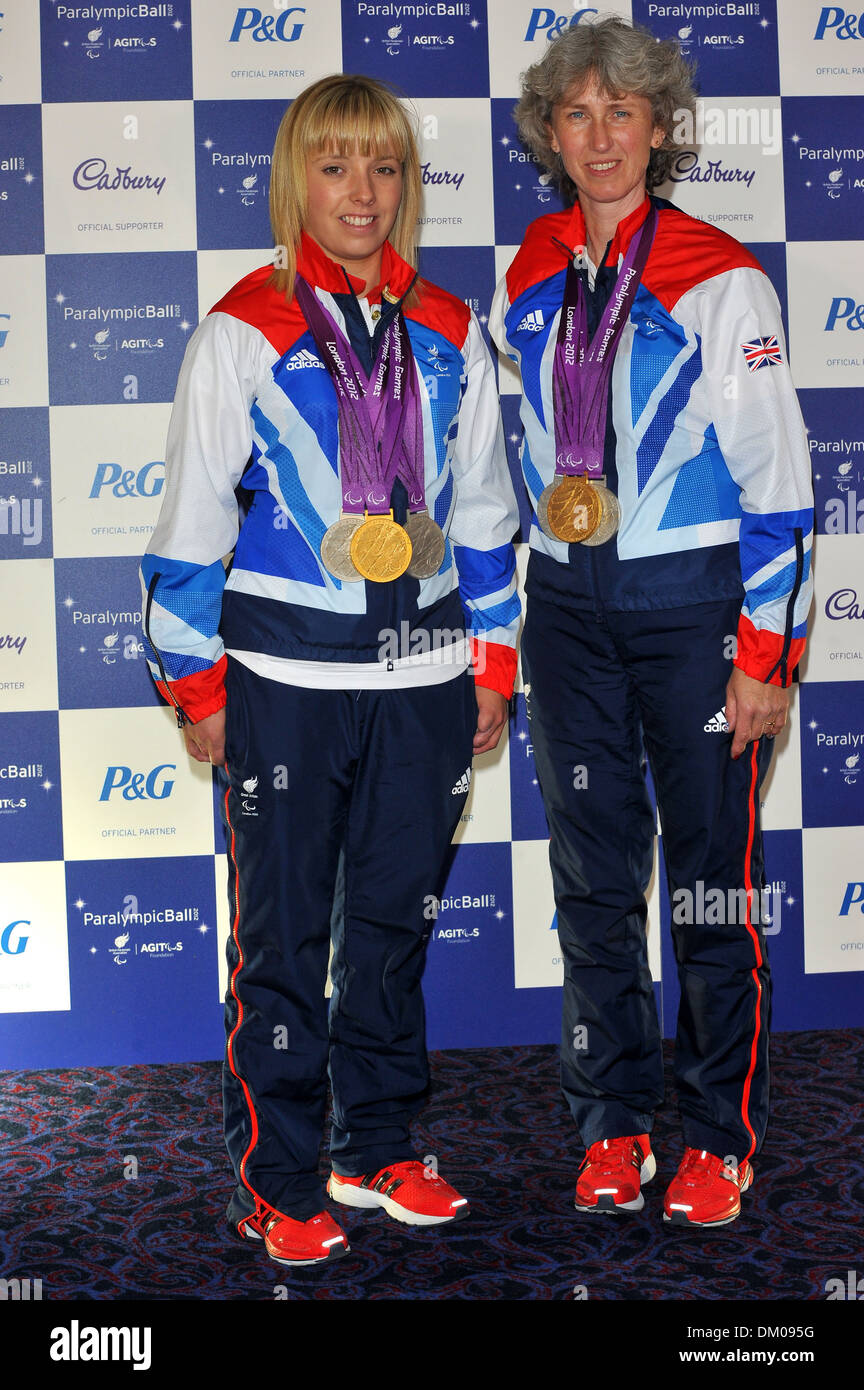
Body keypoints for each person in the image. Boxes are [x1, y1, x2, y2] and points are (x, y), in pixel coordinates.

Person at [141, 74, 520, 1266]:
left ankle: (380, 1144)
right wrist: (195, 688)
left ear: (409, 185)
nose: (364, 192)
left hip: (425, 677)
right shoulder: (243, 324)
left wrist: (493, 663)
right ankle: (282, 1174)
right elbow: (192, 522)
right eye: (338, 165)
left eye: (387, 167)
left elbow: (488, 512)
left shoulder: (454, 325)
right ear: (296, 179)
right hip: (283, 681)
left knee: (397, 932)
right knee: (288, 941)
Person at [490, 15, 813, 1228]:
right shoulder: (528, 265)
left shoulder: (719, 274)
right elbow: (504, 453)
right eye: (577, 114)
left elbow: (781, 486)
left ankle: (719, 1135)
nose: (600, 135)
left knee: (712, 892)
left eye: (621, 112)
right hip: (565, 612)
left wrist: (767, 657)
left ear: (659, 128)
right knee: (592, 884)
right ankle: (613, 1124)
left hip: (692, 619)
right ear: (552, 135)